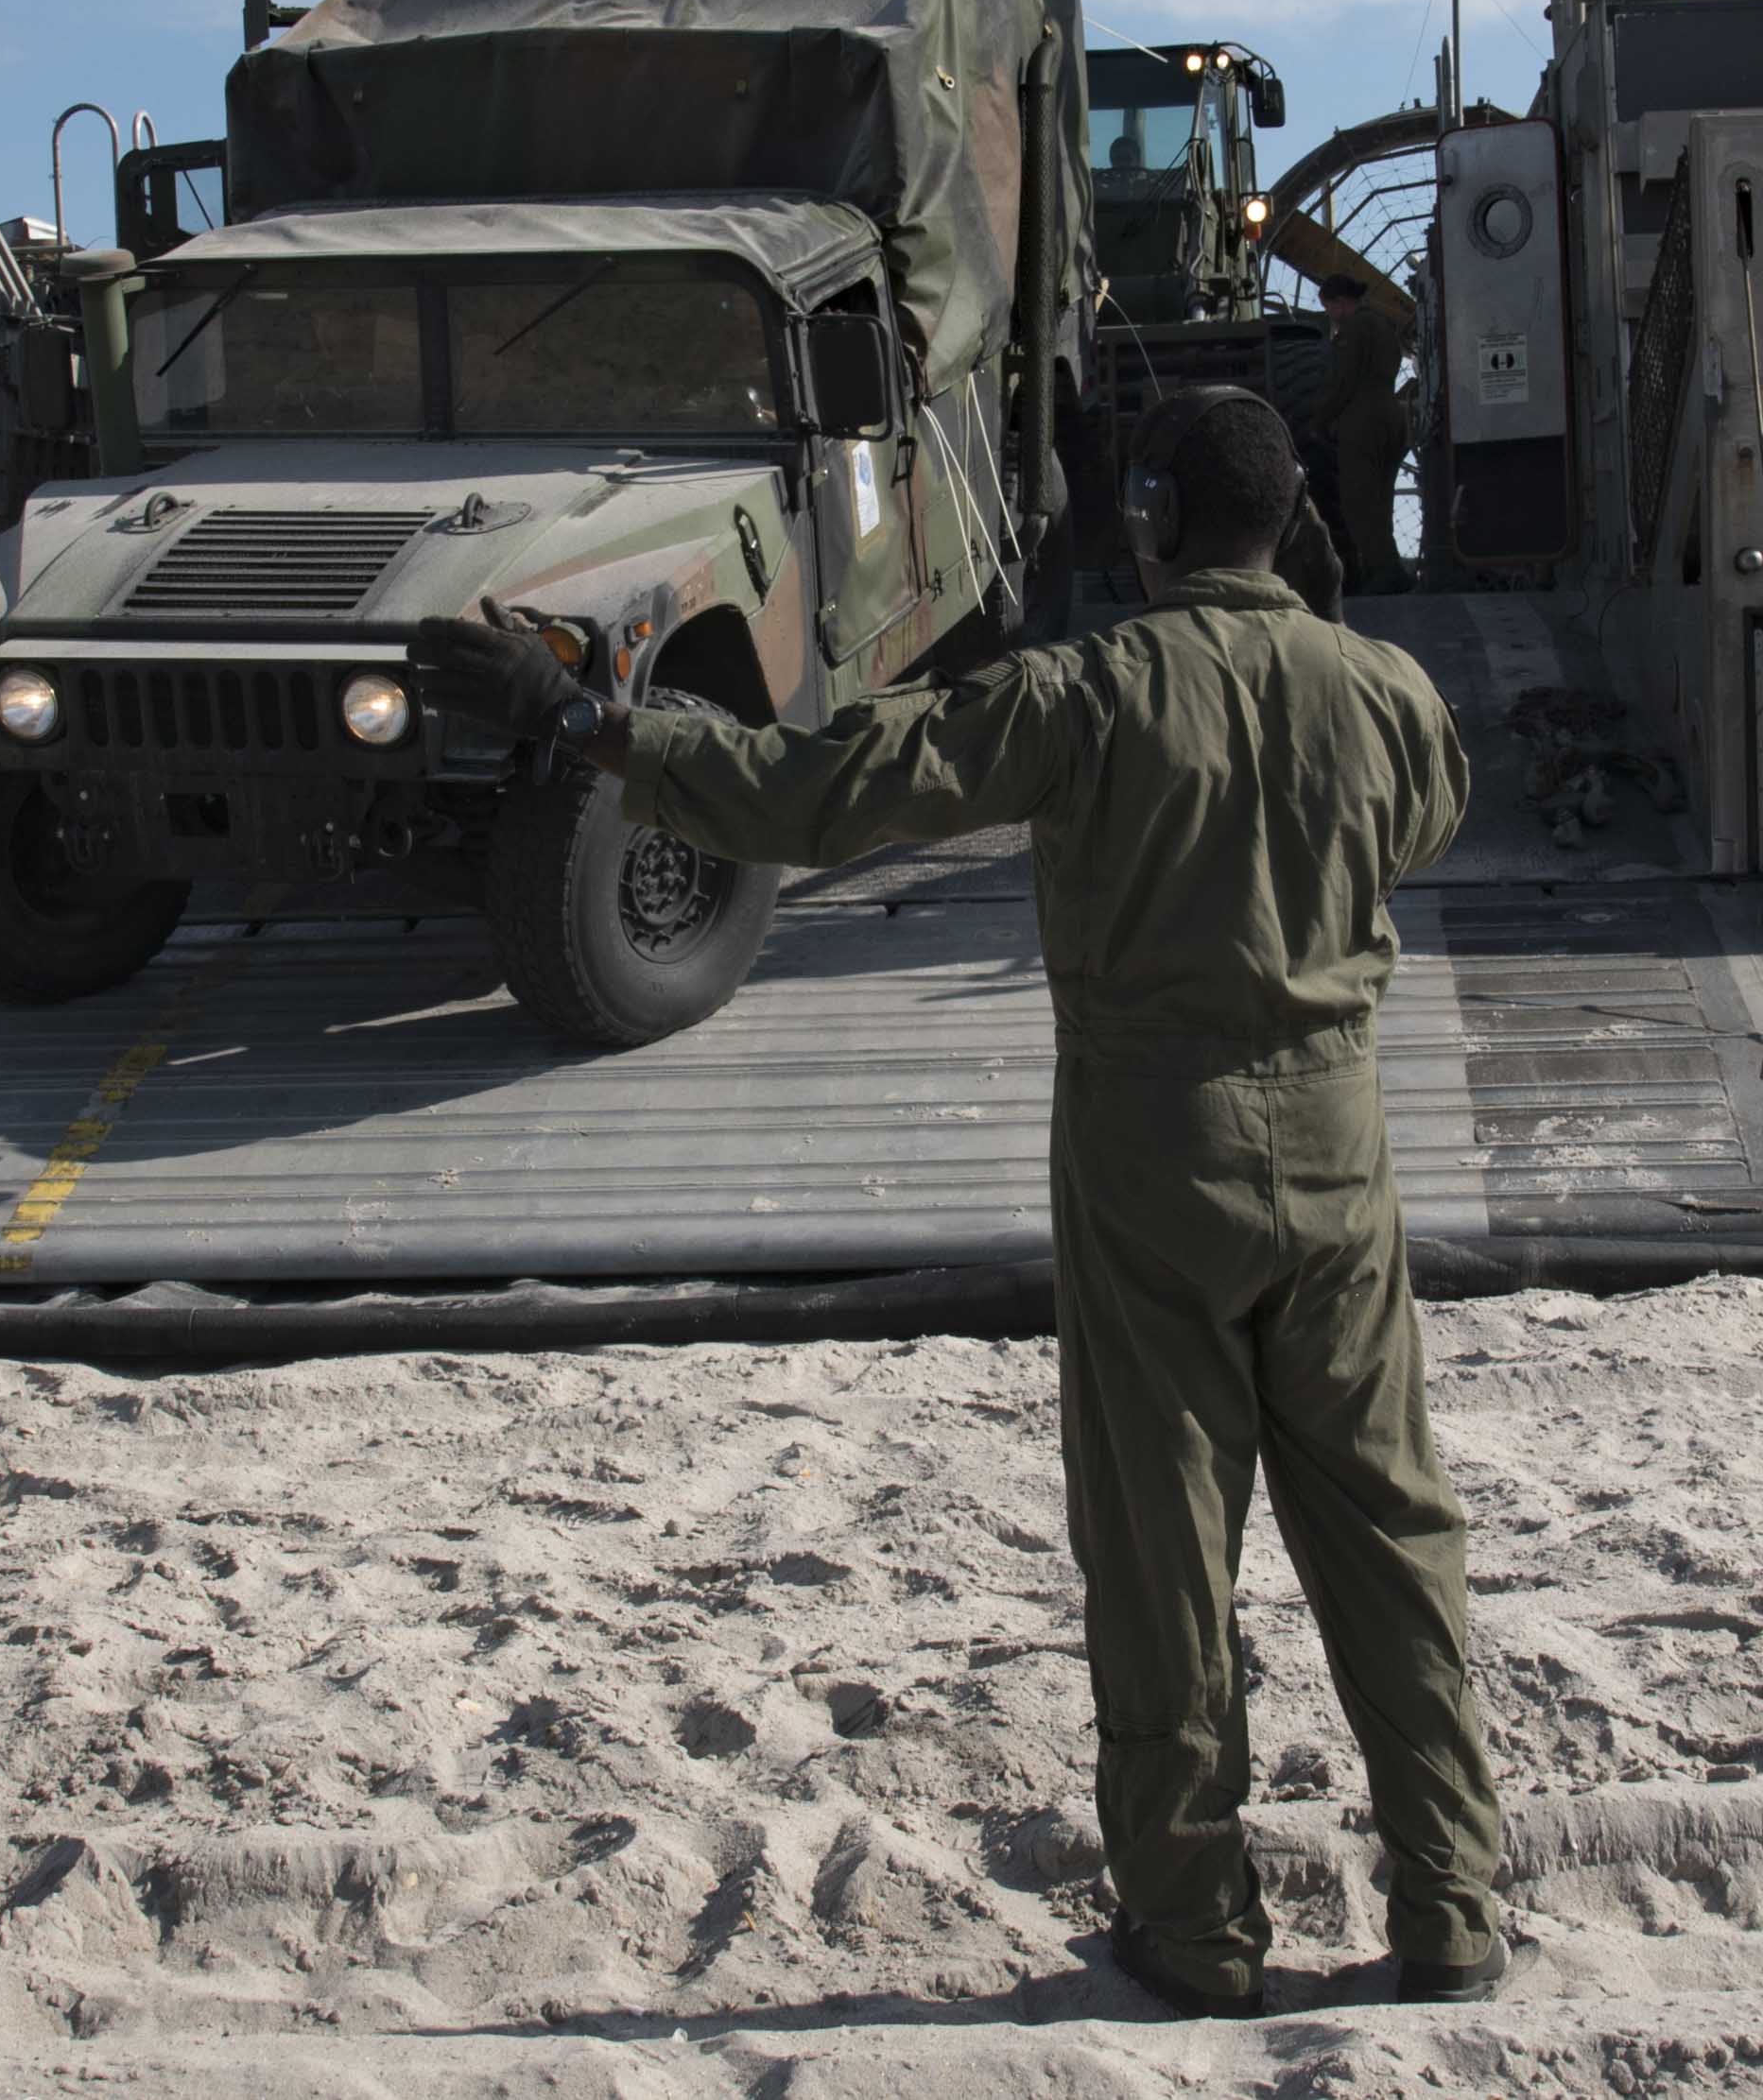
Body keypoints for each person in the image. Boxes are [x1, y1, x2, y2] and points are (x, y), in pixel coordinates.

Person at [410, 387, 1506, 2019]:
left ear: (1150, 520)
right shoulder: (1390, 691)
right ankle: (1453, 1909)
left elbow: (819, 787)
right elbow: (1421, 812)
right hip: (1341, 1145)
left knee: (1162, 1550)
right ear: (1296, 526)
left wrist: (582, 719)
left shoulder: (1087, 693)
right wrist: (1320, 645)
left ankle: (1196, 1931)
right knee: (1390, 1530)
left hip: (1153, 1150)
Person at [1311, 267, 1413, 595]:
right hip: (1393, 415)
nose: (1329, 314)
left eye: (1328, 306)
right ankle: (1391, 569)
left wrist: (1320, 421)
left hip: (1363, 420)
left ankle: (1385, 572)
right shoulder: (1384, 325)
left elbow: (1345, 382)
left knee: (1359, 503)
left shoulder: (1354, 328)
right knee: (1382, 501)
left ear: (1341, 302)